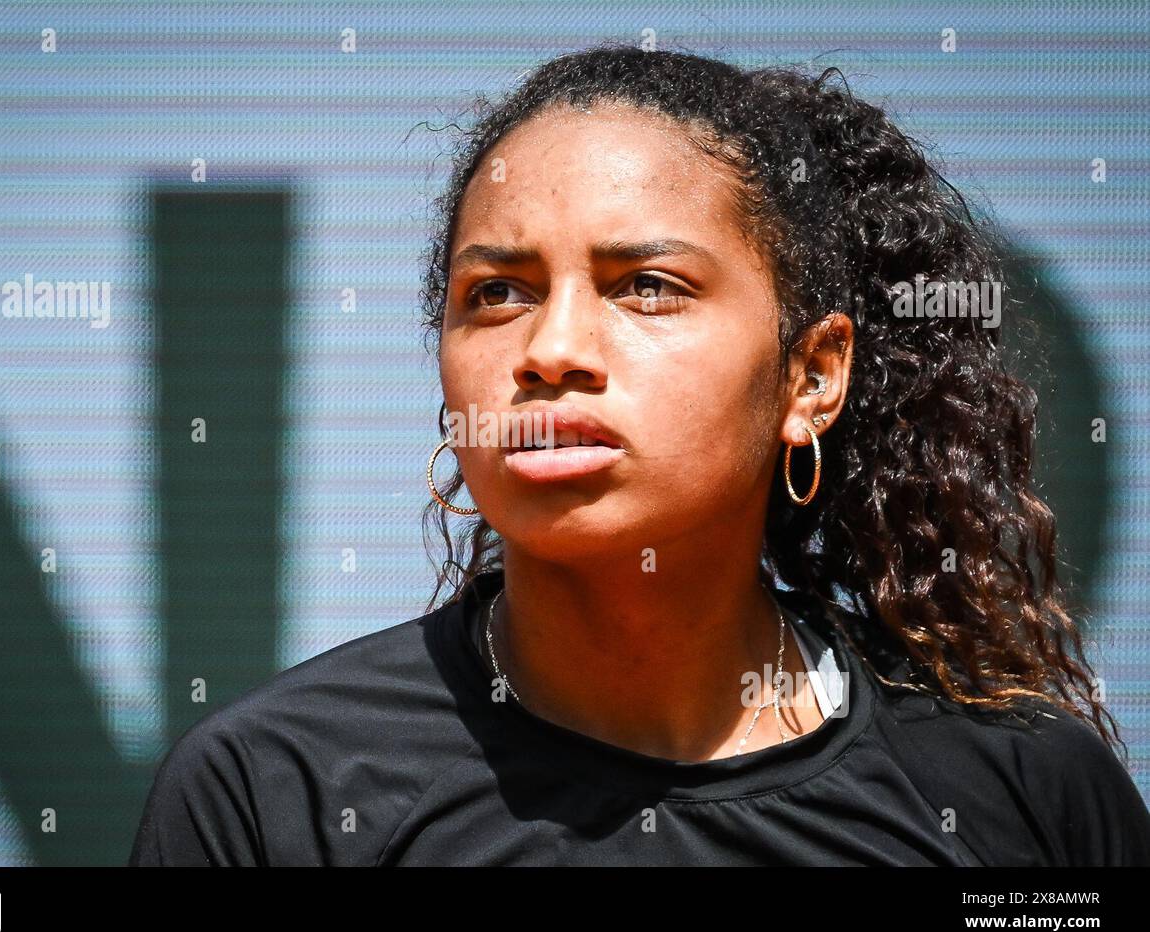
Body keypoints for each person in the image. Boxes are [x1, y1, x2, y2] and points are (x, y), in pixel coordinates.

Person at [129, 43, 1150, 866]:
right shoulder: (271, 792)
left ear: (812, 375)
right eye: (498, 292)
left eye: (645, 285)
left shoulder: (1024, 793)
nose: (551, 349)